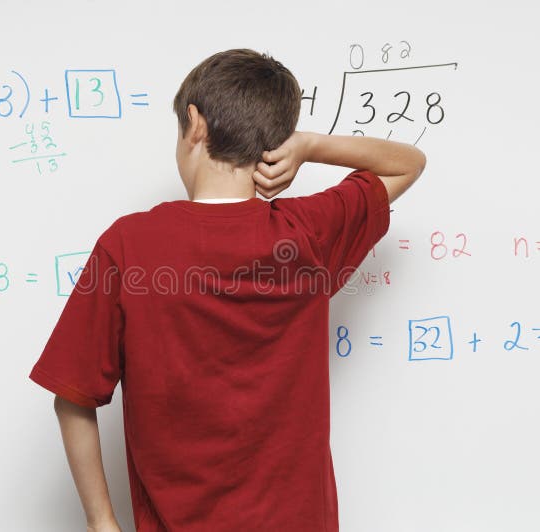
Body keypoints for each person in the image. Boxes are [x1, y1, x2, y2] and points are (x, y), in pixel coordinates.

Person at [29, 48, 426, 531]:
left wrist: (101, 522)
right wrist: (308, 146)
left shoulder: (128, 245)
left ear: (194, 124)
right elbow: (407, 163)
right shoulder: (308, 235)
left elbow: (72, 396)